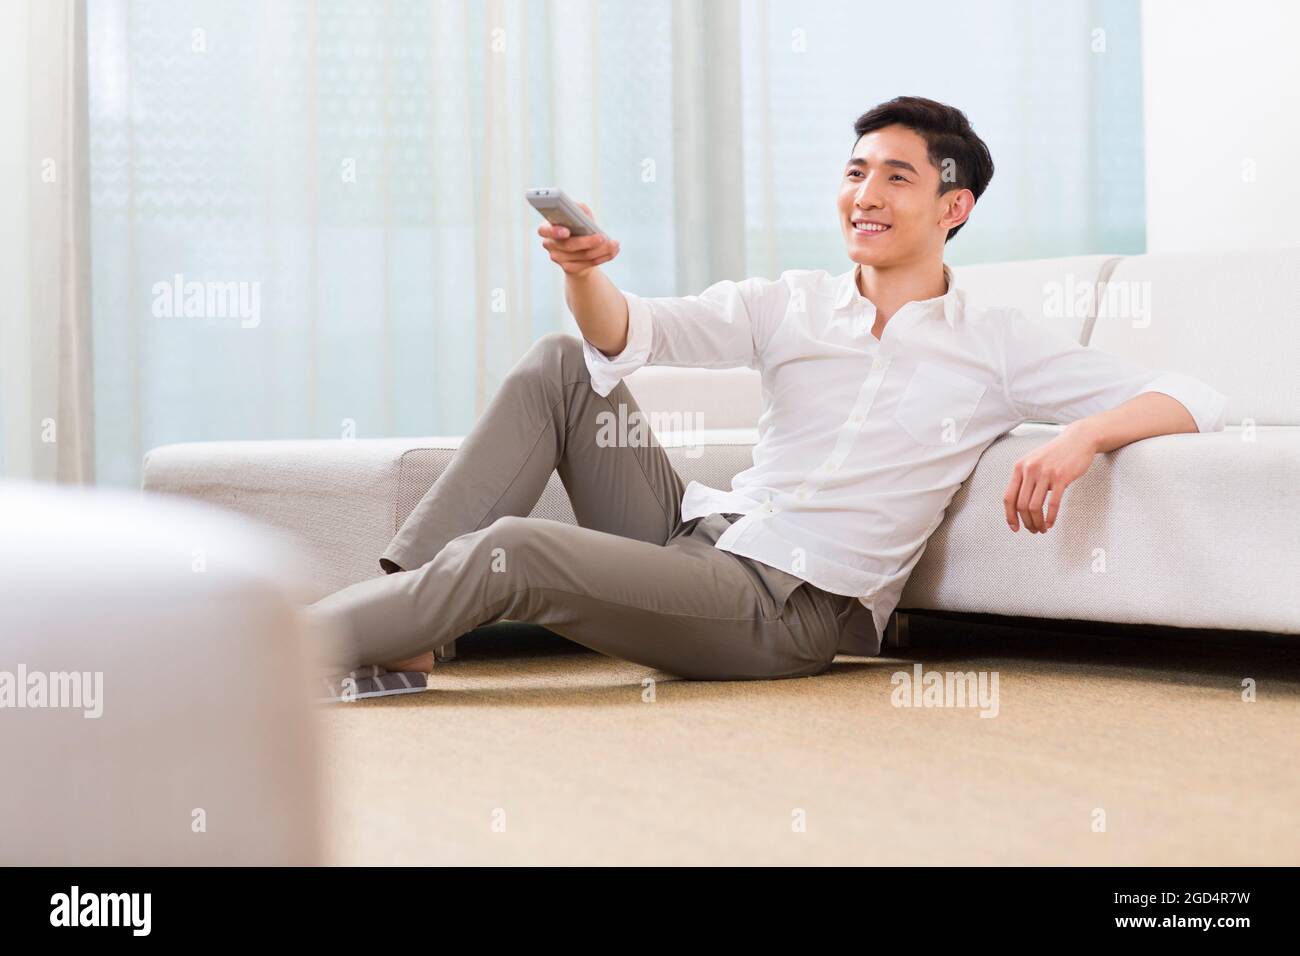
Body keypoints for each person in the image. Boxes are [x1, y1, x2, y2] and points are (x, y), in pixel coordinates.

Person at [308, 95, 1228, 701]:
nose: (864, 195)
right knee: (560, 363)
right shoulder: (791, 303)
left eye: (896, 177)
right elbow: (627, 335)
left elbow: (1195, 393)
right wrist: (585, 271)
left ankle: (259, 653)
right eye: (855, 172)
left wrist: (1079, 439)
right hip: (699, 536)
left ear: (955, 208)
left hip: (790, 607)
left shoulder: (994, 343)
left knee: (516, 549)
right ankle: (406, 620)